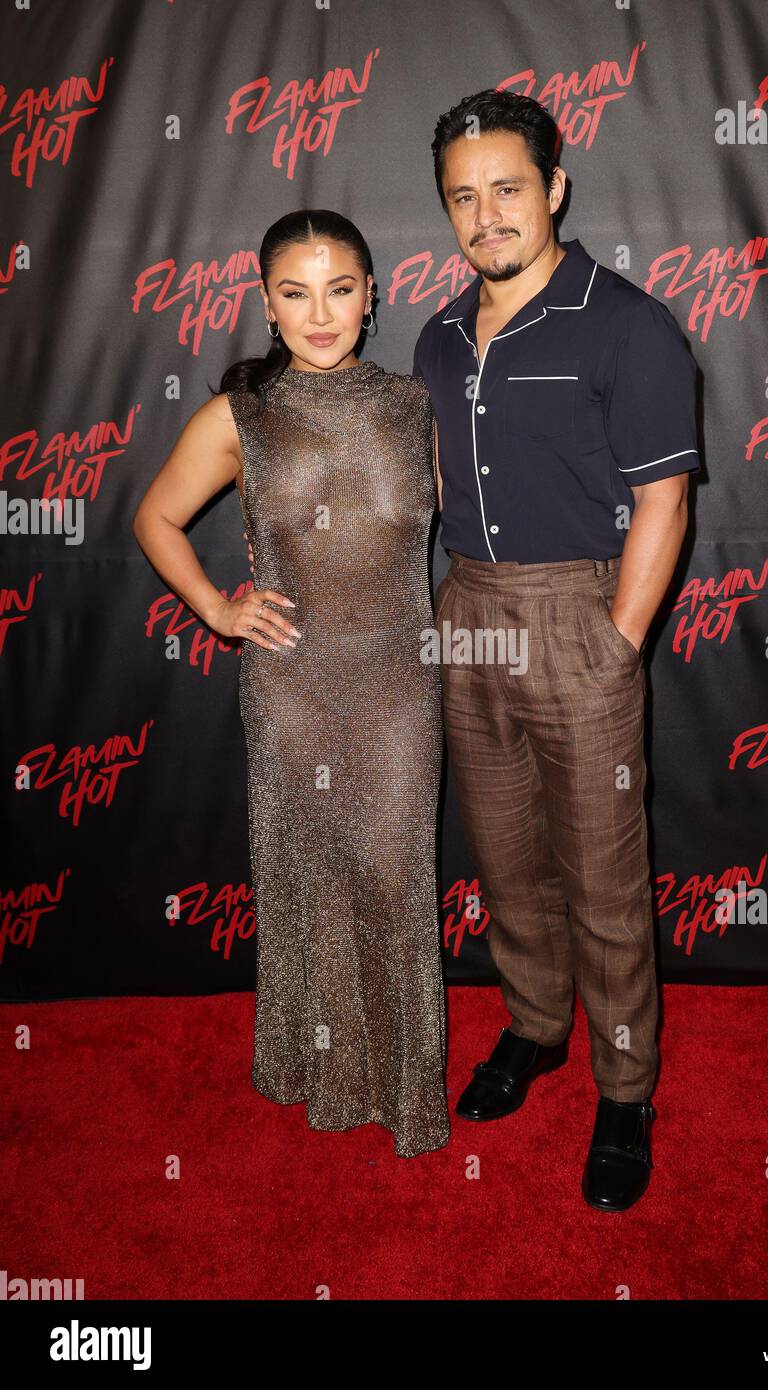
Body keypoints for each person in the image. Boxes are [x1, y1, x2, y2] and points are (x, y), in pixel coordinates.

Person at [412, 91, 700, 1210]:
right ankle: (535, 1027)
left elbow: (664, 500)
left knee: (606, 876)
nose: (487, 216)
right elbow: (437, 489)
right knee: (505, 858)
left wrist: (615, 643)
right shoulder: (438, 336)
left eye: (508, 190)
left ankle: (626, 1087)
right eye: (464, 197)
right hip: (468, 609)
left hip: (581, 610)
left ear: (556, 190)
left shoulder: (626, 321)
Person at [132, 210, 450, 1159]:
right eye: (297, 292)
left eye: (341, 289)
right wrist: (218, 609)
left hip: (400, 681)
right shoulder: (242, 417)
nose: (321, 313)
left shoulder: (414, 404)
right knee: (306, 877)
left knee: (395, 875)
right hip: (293, 686)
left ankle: (403, 1090)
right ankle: (314, 1068)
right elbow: (156, 517)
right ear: (266, 301)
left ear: (371, 296)